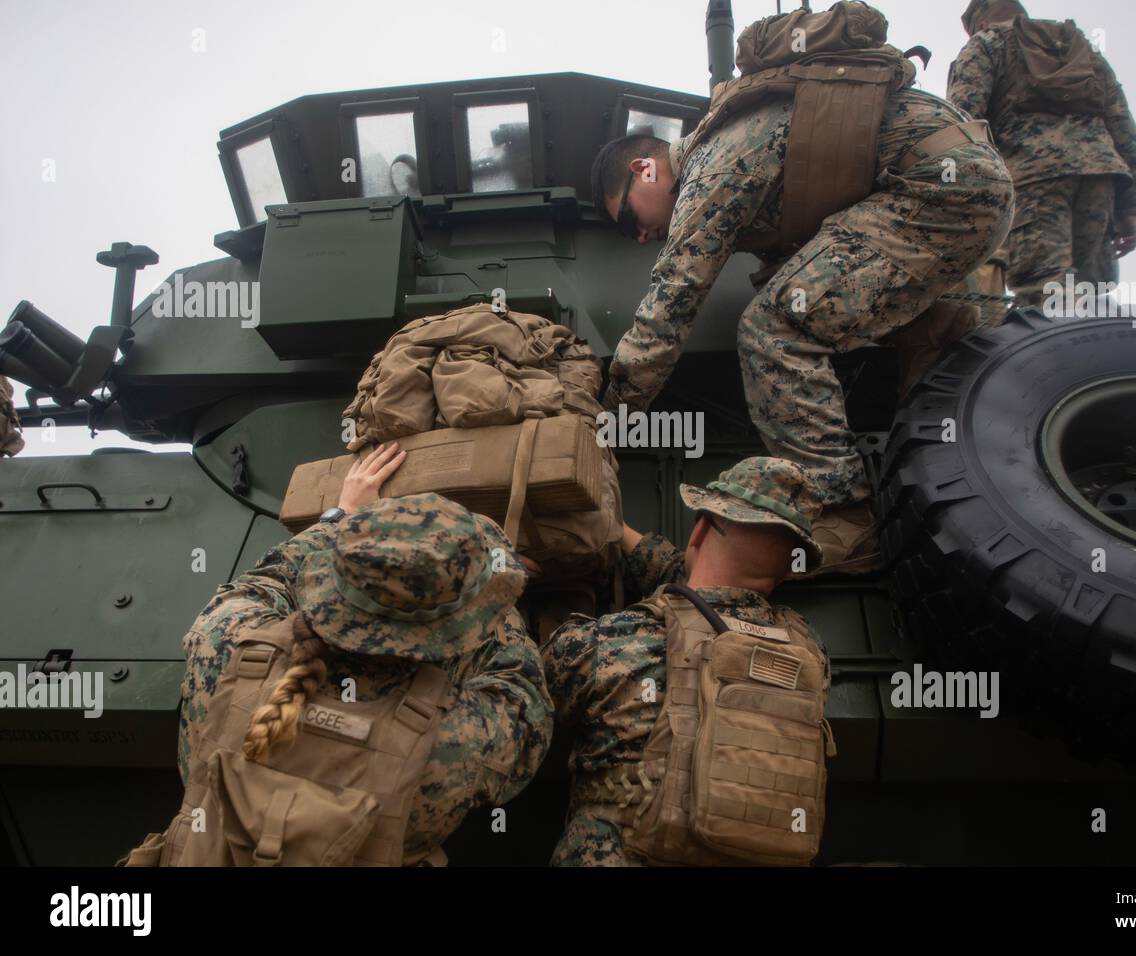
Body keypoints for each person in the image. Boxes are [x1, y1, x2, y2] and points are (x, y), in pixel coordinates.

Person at [590, 6, 1012, 575]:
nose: (639, 235)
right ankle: (949, 333)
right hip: (958, 183)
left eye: (627, 219)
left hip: (936, 190)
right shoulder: (733, 145)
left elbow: (671, 304)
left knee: (773, 328)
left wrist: (610, 414)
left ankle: (846, 514)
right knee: (845, 314)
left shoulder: (709, 169)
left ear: (644, 168)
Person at [124, 443, 553, 866]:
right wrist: (495, 591)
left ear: (331, 583)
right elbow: (518, 681)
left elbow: (263, 582)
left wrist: (339, 516)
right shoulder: (463, 739)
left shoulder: (223, 644)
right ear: (453, 628)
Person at [543, 457, 835, 866]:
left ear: (698, 529)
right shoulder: (811, 653)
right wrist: (619, 532)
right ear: (789, 570)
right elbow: (710, 596)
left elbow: (531, 692)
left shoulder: (604, 643)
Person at [947, 0, 1136, 307]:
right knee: (1092, 294)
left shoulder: (985, 45)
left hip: (1031, 180)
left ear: (981, 22)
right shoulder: (1081, 50)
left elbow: (963, 123)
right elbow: (1124, 131)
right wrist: (1129, 207)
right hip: (1100, 176)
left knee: (1044, 291)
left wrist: (964, 196)